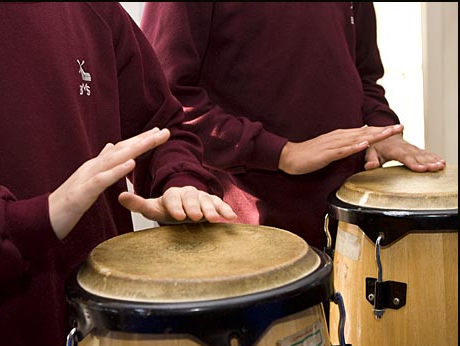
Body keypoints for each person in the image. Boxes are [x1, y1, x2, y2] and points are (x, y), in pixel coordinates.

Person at [0, 3, 237, 346]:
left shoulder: (93, 9)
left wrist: (180, 182)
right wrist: (35, 218)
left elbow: (162, 126)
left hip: (107, 340)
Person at [141, 2, 446, 251]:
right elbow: (167, 101)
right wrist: (281, 153)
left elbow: (363, 75)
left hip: (350, 223)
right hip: (249, 237)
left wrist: (381, 129)